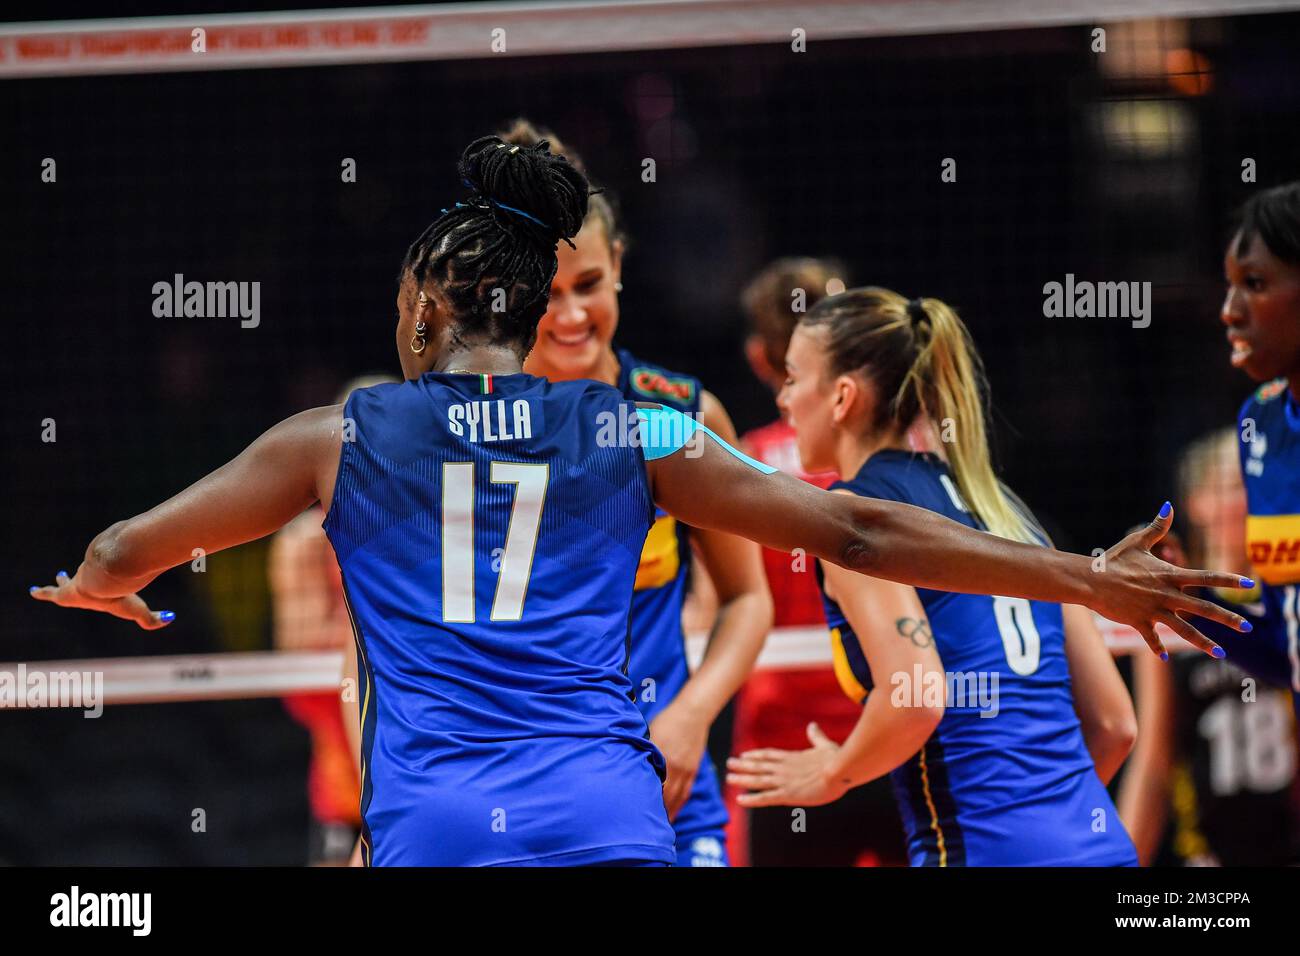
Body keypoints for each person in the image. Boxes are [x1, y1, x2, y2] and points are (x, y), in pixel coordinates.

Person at [29, 136, 1251, 866]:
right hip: (608, 820)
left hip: (441, 828)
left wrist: (107, 582)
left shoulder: (337, 436)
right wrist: (1091, 574)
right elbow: (861, 526)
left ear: (426, 309)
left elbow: (127, 541)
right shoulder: (640, 426)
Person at [728, 288, 1161, 865]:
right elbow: (1113, 723)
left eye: (792, 378)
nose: (783, 400)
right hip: (1100, 847)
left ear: (841, 397)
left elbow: (917, 697)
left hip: (979, 850)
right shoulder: (1007, 506)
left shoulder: (856, 517)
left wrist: (834, 772)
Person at [503, 119, 772, 867]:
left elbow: (749, 598)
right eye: (544, 294)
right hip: (513, 787)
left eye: (588, 284)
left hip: (662, 779)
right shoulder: (463, 424)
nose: (570, 316)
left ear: (619, 264)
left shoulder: (680, 413)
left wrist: (691, 717)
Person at [729, 257, 907, 866]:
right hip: (888, 736)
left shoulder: (737, 466)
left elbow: (718, 601)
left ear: (760, 358)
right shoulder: (907, 459)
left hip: (779, 749)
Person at [1117, 431, 1300, 866]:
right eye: (1237, 486)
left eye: (1254, 485)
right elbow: (1154, 760)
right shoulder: (1170, 611)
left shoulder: (1288, 604)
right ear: (1199, 501)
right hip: (1207, 858)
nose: (1252, 498)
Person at [269, 374, 395, 865]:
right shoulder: (304, 543)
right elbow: (300, 688)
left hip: (433, 782)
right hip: (346, 793)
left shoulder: (438, 528)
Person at [1208, 180, 1300, 712]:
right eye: (1230, 285)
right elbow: (1287, 657)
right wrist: (1190, 601)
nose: (1229, 310)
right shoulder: (1260, 422)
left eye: (1256, 283)